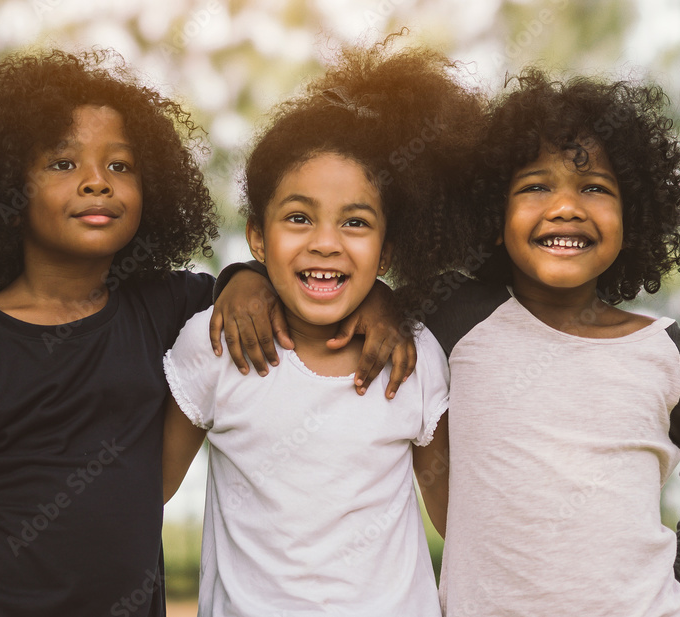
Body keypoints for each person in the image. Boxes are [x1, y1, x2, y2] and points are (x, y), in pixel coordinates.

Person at [0, 48, 221, 617]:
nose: (97, 182)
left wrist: (249, 283)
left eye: (121, 166)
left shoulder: (163, 307)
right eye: (63, 164)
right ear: (8, 198)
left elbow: (253, 290)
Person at [160, 42, 483, 616]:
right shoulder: (214, 345)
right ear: (257, 238)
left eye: (355, 222)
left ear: (386, 252)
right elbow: (143, 495)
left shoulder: (413, 355)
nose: (326, 242)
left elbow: (459, 519)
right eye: (299, 217)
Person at [419, 69, 680, 616]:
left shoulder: (666, 352)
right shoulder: (456, 315)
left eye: (595, 187)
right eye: (535, 186)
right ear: (493, 215)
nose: (566, 207)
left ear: (633, 215)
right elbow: (351, 297)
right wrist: (257, 282)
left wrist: (675, 584)